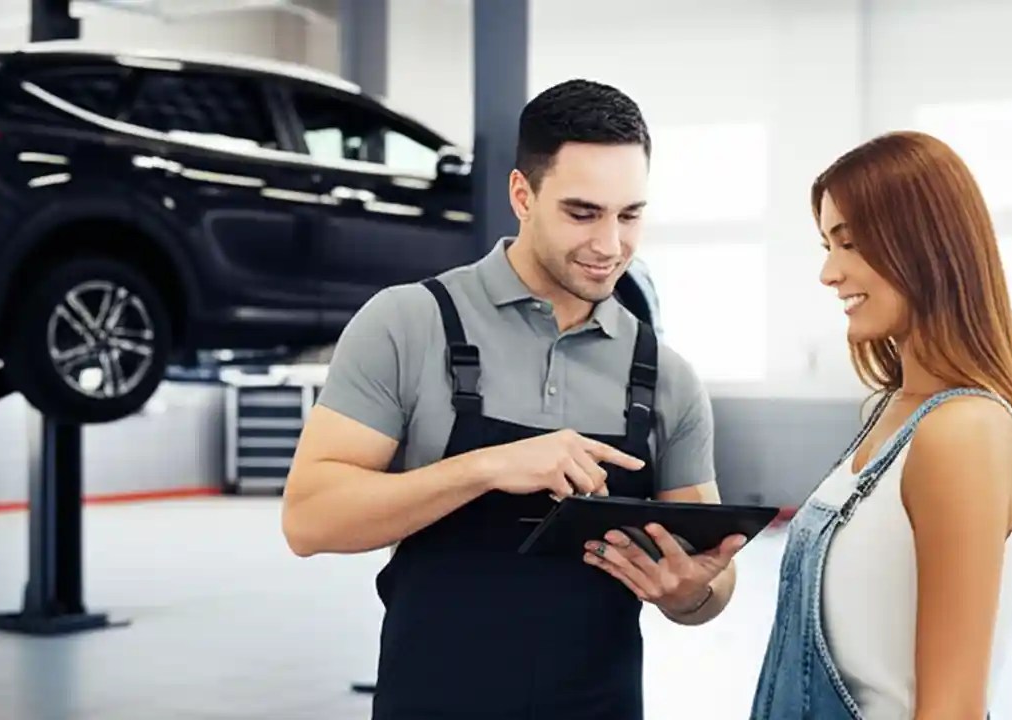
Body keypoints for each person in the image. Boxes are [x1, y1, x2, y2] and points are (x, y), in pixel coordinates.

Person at [280, 78, 744, 720]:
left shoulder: (666, 376)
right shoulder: (408, 324)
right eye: (582, 213)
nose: (610, 245)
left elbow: (711, 579)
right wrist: (486, 467)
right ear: (522, 195)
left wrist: (688, 593)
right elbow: (309, 521)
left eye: (629, 215)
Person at [749, 131, 1012, 720]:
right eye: (828, 245)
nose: (829, 273)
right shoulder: (888, 414)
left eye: (851, 243)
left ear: (927, 247)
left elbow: (951, 710)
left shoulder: (962, 431)